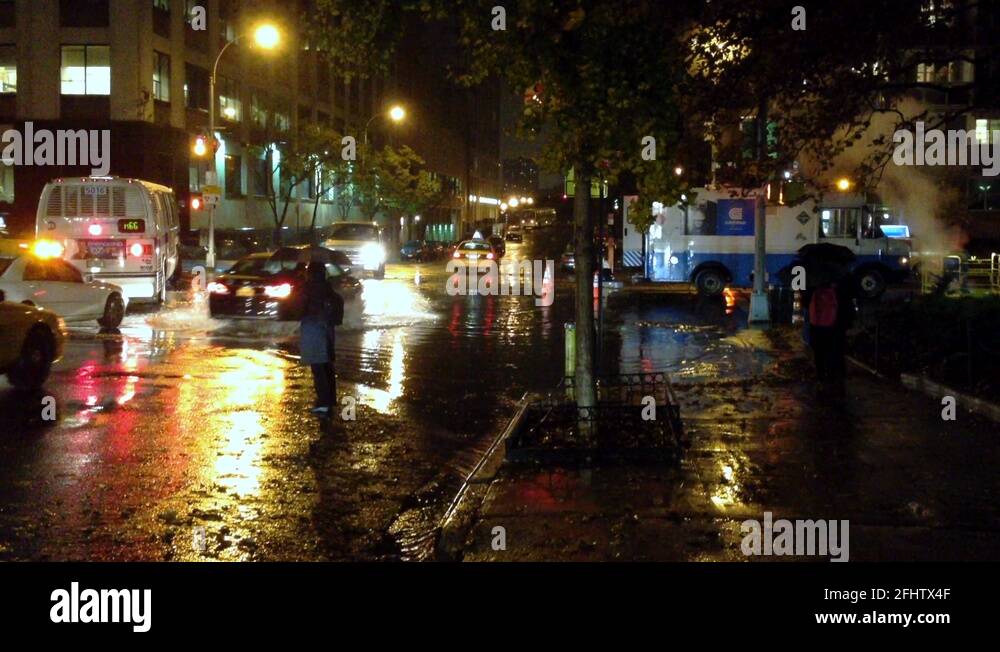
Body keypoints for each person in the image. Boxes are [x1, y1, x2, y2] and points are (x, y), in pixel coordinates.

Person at [300, 261, 344, 416]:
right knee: (327, 365)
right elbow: (338, 301)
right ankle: (330, 399)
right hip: (327, 329)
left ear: (310, 273)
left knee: (318, 366)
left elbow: (298, 307)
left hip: (313, 329)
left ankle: (323, 403)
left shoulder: (308, 288)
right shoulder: (327, 287)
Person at [804, 274, 857, 399]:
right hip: (837, 326)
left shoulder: (812, 281)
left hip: (818, 326)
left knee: (820, 353)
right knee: (836, 352)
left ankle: (822, 378)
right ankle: (836, 379)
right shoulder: (844, 279)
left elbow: (806, 303)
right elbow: (849, 302)